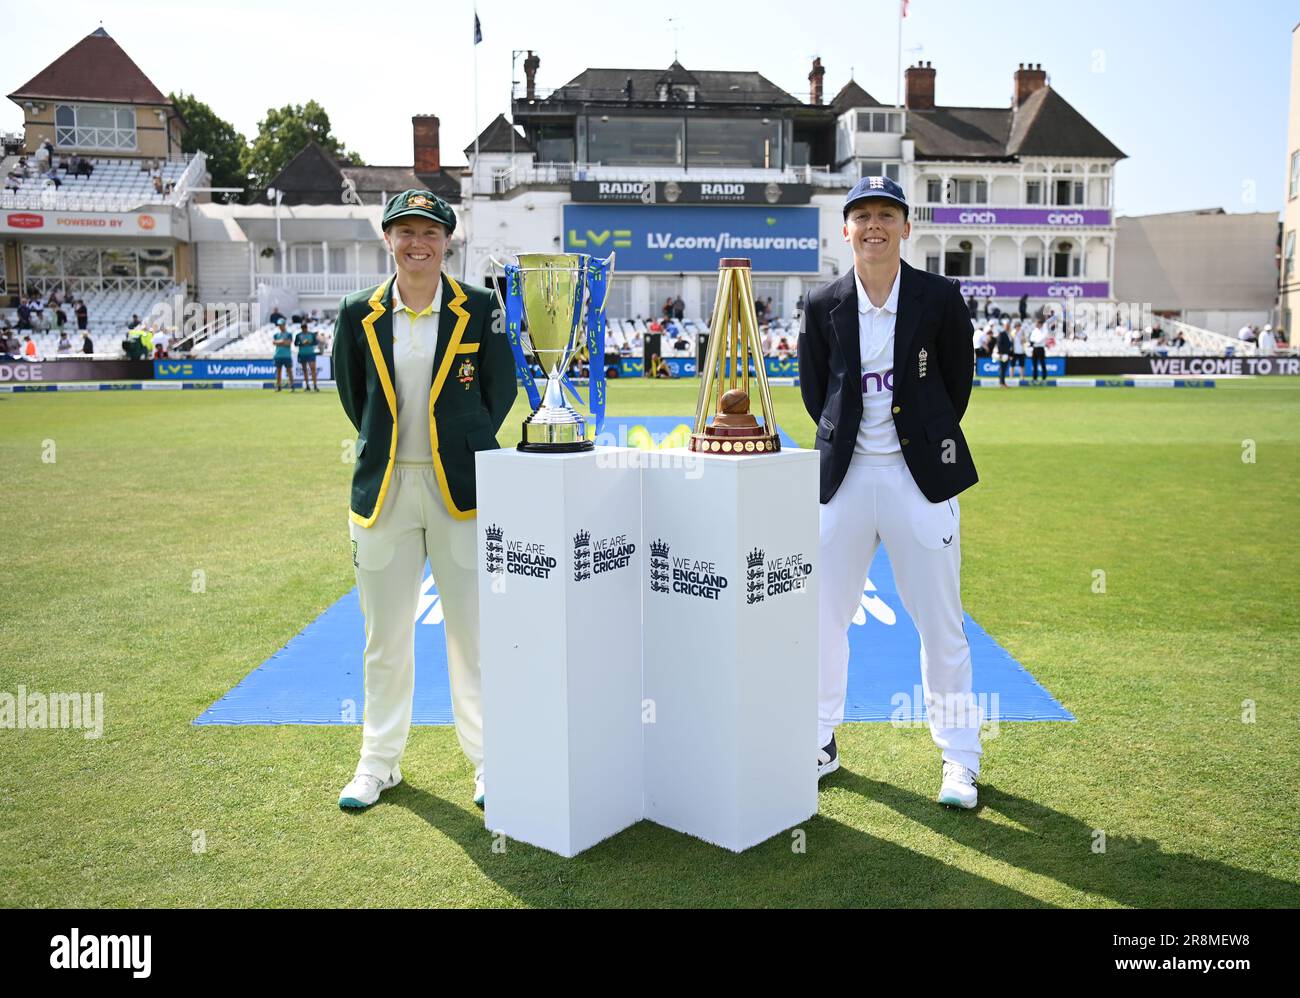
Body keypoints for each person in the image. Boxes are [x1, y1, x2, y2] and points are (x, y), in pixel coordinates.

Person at [799, 176, 983, 809]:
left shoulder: (938, 297)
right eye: (862, 215)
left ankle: (960, 760)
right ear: (845, 229)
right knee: (822, 616)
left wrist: (922, 435)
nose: (874, 225)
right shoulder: (823, 303)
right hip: (843, 480)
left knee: (941, 624)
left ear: (906, 227)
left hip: (920, 479)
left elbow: (957, 383)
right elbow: (815, 390)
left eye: (887, 214)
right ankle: (819, 739)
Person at [333, 189, 516, 811]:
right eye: (405, 231)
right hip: (384, 489)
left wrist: (458, 445)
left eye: (430, 232)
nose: (418, 243)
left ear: (447, 241)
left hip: (460, 489)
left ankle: (491, 762)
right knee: (384, 636)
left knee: (473, 634)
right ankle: (378, 763)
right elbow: (352, 395)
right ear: (388, 239)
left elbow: (500, 389)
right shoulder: (358, 311)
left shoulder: (482, 306)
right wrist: (394, 450)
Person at [295, 320, 320, 392]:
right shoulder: (298, 335)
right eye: (303, 327)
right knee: (304, 370)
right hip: (302, 353)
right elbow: (296, 344)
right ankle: (307, 385)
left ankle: (315, 385)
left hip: (311, 353)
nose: (304, 329)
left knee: (313, 369)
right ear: (301, 328)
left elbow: (315, 342)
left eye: (305, 327)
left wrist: (309, 342)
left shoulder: (312, 334)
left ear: (307, 327)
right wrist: (302, 343)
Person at [272, 320, 295, 392]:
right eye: (279, 325)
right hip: (278, 355)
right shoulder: (276, 334)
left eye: (281, 325)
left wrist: (279, 342)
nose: (280, 326)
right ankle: (278, 386)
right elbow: (274, 342)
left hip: (287, 356)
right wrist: (282, 341)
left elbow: (288, 343)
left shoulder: (289, 334)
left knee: (289, 371)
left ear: (284, 325)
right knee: (278, 372)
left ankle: (292, 386)